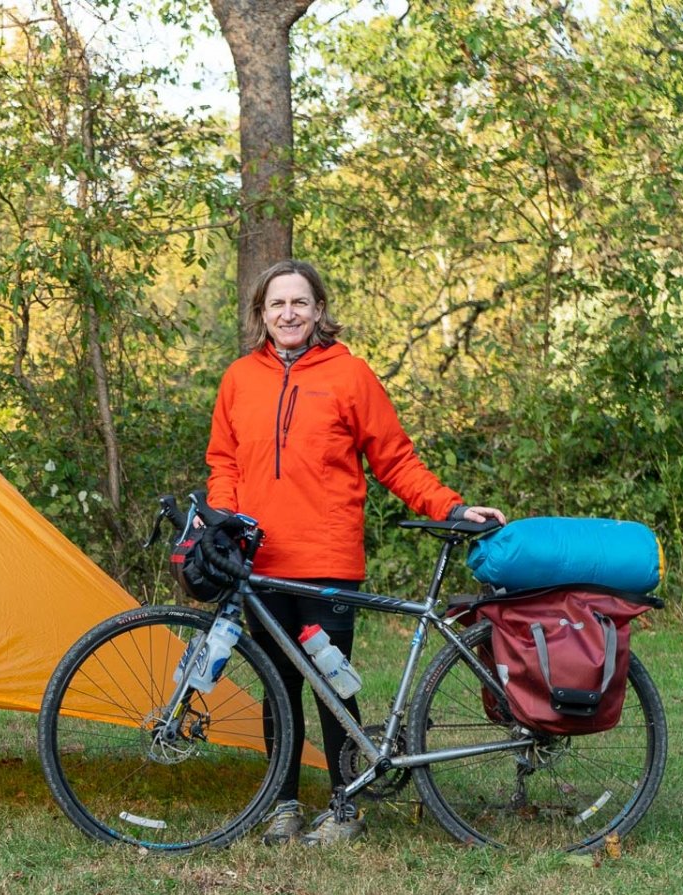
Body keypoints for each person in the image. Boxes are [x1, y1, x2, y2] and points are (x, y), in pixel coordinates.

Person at [205, 260, 505, 846]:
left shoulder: (349, 376)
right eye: (276, 304)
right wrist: (223, 521)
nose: (287, 313)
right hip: (260, 562)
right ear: (260, 314)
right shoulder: (239, 378)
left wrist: (450, 506)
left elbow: (394, 458)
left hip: (327, 558)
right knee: (276, 685)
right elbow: (225, 461)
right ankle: (284, 804)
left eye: (299, 303)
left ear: (319, 311)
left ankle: (346, 807)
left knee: (329, 681)